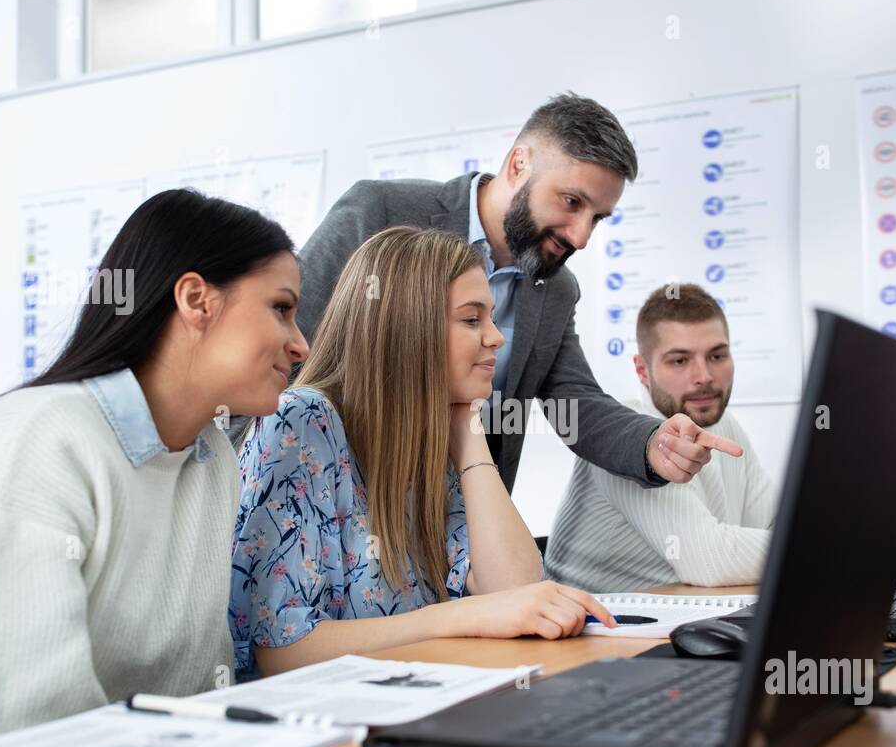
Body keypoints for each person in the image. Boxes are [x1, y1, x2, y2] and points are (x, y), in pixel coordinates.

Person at [0, 189, 308, 747]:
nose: (300, 345)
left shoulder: (211, 460)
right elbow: (1, 729)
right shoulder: (36, 444)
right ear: (196, 300)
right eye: (281, 308)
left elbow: (193, 689)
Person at [293, 92, 741, 494]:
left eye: (598, 217)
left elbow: (575, 403)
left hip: (464, 529)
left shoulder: (556, 289)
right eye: (571, 202)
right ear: (518, 165)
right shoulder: (382, 213)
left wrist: (653, 442)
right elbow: (290, 344)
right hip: (341, 503)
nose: (581, 236)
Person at [230, 226, 617, 680]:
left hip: (411, 705)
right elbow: (281, 651)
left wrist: (469, 438)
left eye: (490, 319)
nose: (496, 338)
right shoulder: (301, 422)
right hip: (313, 723)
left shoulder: (430, 438)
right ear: (408, 327)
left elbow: (516, 591)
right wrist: (466, 617)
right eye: (472, 320)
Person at [546, 283, 777, 592]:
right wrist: (828, 547)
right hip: (587, 631)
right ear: (642, 371)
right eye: (680, 360)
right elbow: (711, 559)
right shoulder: (627, 439)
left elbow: (772, 525)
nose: (705, 376)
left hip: (674, 617)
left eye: (717, 356)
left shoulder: (721, 423)